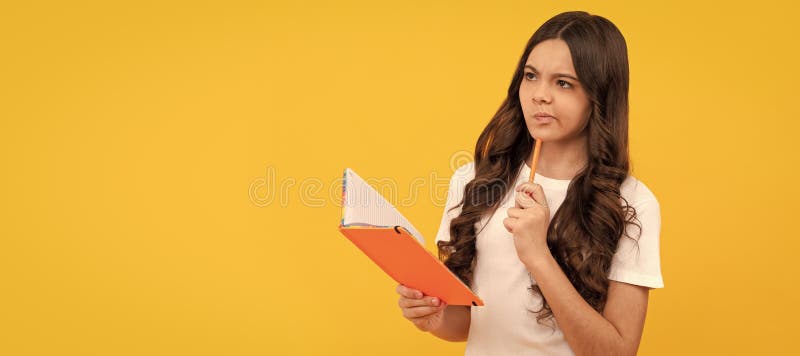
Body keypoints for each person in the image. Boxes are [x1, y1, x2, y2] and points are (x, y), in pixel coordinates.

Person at [396, 11, 663, 355]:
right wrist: (434, 317)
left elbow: (616, 352)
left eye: (563, 82)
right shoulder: (474, 180)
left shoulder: (632, 203)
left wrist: (538, 254)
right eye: (531, 76)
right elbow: (469, 323)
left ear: (599, 96)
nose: (540, 95)